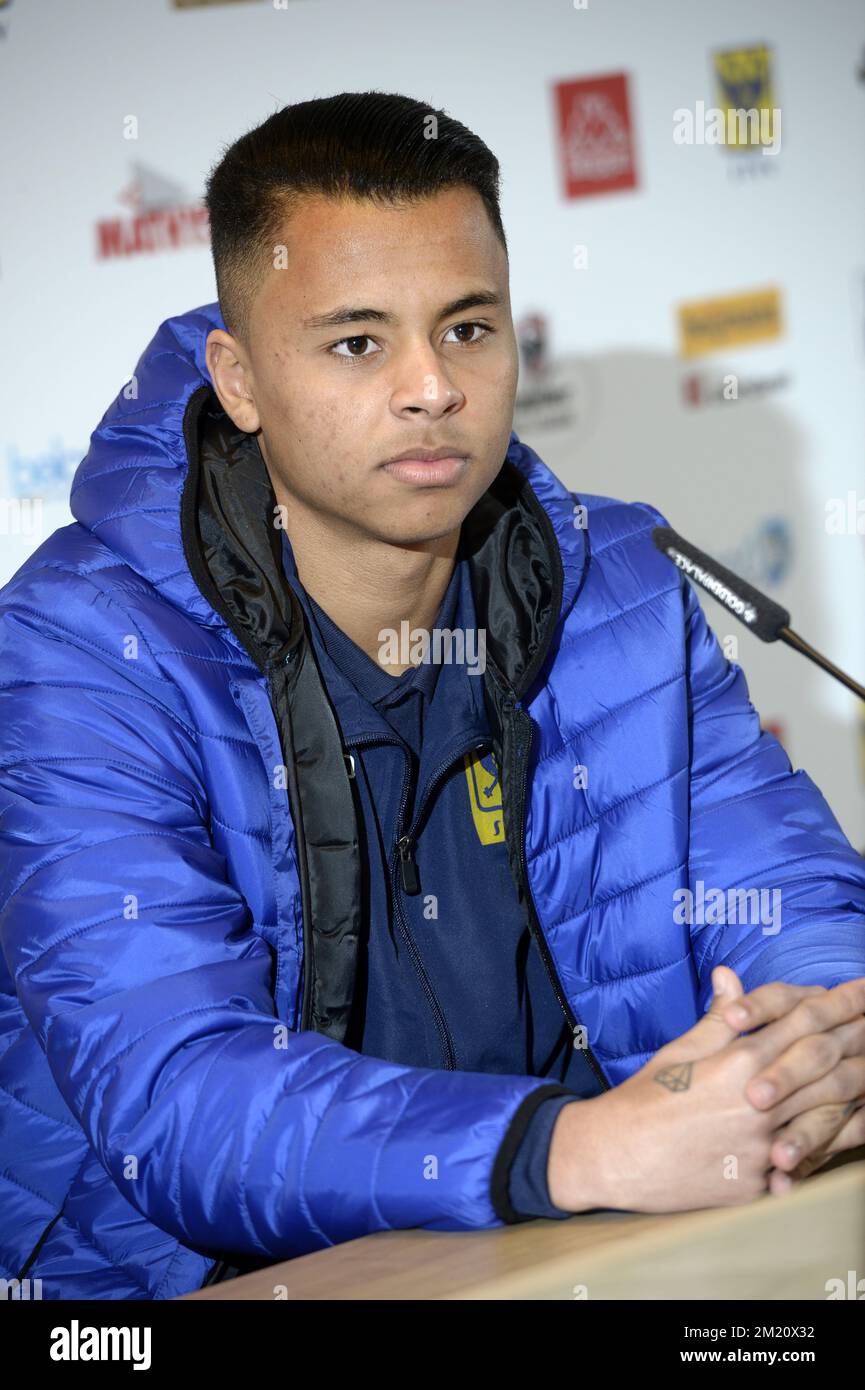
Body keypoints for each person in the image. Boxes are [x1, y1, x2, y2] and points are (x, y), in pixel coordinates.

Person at [1, 90, 863, 1302]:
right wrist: (575, 1145)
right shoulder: (80, 643)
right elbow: (178, 1097)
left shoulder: (619, 579)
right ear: (239, 380)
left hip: (596, 1255)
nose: (431, 389)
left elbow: (792, 904)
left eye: (467, 329)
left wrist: (807, 1053)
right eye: (358, 343)